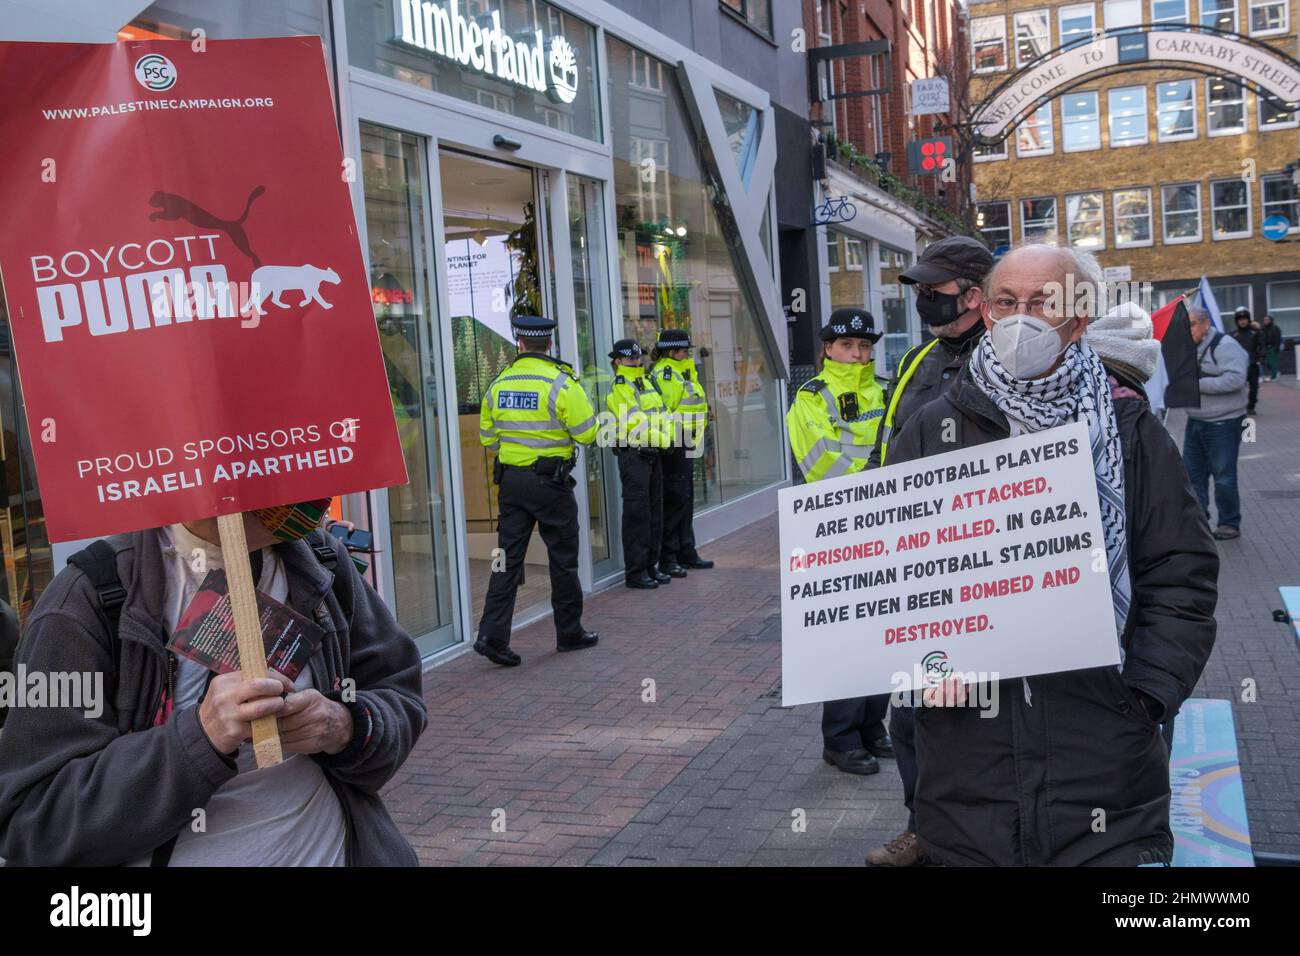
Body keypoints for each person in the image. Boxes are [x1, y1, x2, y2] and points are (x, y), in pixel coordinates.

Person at [886, 243, 1218, 866]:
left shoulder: (1128, 430)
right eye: (1006, 301)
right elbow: (893, 575)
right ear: (984, 312)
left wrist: (1145, 694)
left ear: (1080, 317)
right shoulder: (933, 428)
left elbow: (1181, 573)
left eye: (1042, 303)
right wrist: (920, 670)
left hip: (1102, 749)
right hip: (967, 759)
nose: (1020, 318)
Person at [0, 502, 428, 865]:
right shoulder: (87, 595)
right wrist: (200, 738)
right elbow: (34, 818)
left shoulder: (320, 560)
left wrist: (342, 724)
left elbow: (399, 695)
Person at [865, 234, 992, 867]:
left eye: (933, 291)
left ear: (973, 295)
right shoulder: (918, 360)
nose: (922, 300)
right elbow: (885, 442)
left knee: (971, 711)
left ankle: (976, 835)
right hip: (910, 561)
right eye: (917, 290)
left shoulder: (1003, 358)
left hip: (977, 565)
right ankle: (924, 828)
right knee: (910, 711)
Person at [787, 308, 891, 775]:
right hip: (843, 526)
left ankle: (874, 725)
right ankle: (840, 738)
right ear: (828, 347)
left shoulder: (886, 389)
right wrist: (880, 481)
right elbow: (821, 467)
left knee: (888, 632)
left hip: (891, 521)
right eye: (848, 345)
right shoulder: (812, 397)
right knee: (851, 637)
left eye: (865, 346)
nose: (858, 353)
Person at [475, 314, 600, 667]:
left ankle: (491, 635)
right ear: (549, 344)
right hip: (551, 484)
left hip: (511, 484)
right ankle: (569, 632)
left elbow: (487, 438)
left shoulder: (499, 383)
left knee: (506, 561)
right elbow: (587, 432)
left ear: (520, 343)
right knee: (562, 558)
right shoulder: (561, 381)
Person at [606, 338, 673, 589]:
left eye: (638, 357)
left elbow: (662, 412)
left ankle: (650, 566)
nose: (636, 361)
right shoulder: (620, 386)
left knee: (655, 511)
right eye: (630, 358)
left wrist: (667, 435)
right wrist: (665, 440)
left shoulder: (645, 381)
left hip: (653, 452)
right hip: (634, 454)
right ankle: (635, 572)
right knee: (637, 514)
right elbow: (634, 422)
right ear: (618, 362)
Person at [1184, 306, 1250, 541]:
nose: (1187, 329)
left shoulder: (1226, 346)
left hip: (1223, 423)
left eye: (1191, 324)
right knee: (1192, 477)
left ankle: (1229, 524)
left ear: (1206, 324)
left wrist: (1196, 384)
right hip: (1195, 421)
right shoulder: (1186, 348)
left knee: (1224, 476)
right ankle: (1198, 525)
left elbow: (1235, 379)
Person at [652, 328, 714, 577]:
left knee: (685, 499)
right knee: (676, 500)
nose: (688, 352)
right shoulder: (666, 374)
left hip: (688, 440)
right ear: (672, 352)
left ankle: (686, 552)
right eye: (684, 350)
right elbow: (665, 411)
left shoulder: (683, 370)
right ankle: (668, 558)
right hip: (674, 442)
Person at [1230, 306, 1262, 414]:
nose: (1243, 321)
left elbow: (1262, 346)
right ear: (1237, 321)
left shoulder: (1255, 333)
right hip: (1239, 366)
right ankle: (1240, 406)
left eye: (1244, 319)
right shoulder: (1233, 335)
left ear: (1248, 319)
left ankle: (1251, 406)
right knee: (1239, 388)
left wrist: (1260, 357)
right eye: (1240, 319)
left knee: (1254, 388)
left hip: (1253, 365)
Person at [1261, 313, 1283, 382]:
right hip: (1266, 347)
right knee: (1266, 362)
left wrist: (1276, 347)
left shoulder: (1275, 328)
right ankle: (1276, 372)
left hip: (1274, 347)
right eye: (1264, 320)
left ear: (1271, 320)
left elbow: (1278, 338)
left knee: (1273, 362)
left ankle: (1274, 377)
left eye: (1267, 320)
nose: (1265, 321)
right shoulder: (1263, 328)